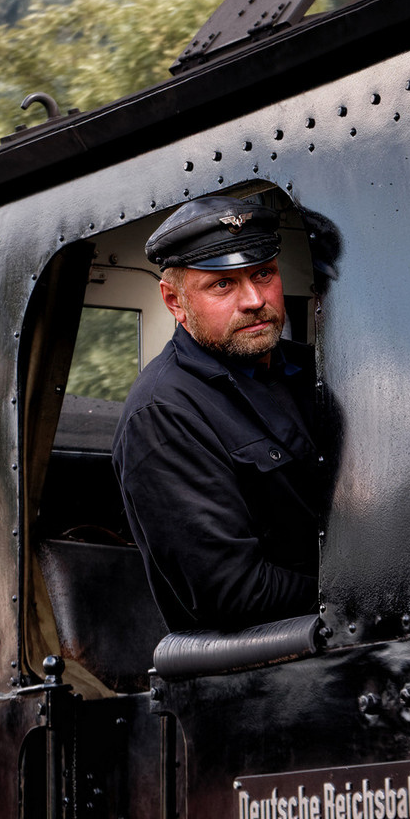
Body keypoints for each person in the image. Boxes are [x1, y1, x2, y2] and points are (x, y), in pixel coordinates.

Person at [111, 196, 329, 632]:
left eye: (263, 274)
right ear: (175, 302)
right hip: (269, 674)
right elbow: (233, 592)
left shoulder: (317, 369)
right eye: (222, 285)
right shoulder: (163, 412)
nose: (253, 300)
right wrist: (366, 591)